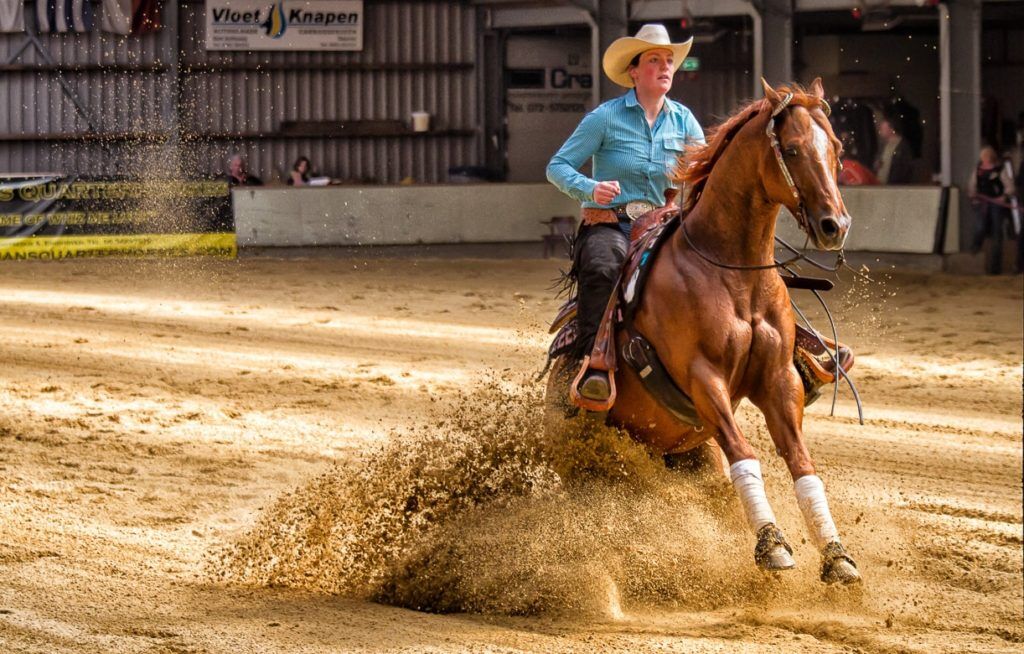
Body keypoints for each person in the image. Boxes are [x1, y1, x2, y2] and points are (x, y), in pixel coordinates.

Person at [546, 23, 704, 402]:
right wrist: (590, 188)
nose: (666, 67)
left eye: (669, 60)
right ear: (633, 71)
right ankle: (593, 362)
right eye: (655, 60)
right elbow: (558, 166)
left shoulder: (684, 120)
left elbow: (706, 169)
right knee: (603, 267)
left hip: (664, 223)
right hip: (611, 221)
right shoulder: (605, 117)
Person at [968, 146, 1016, 263]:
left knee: (997, 230)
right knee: (980, 226)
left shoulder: (1000, 171)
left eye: (986, 157)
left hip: (996, 204)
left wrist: (1003, 196)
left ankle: (996, 261)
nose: (984, 159)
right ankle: (975, 246)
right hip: (982, 203)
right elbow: (972, 185)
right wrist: (973, 195)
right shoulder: (978, 170)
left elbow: (1010, 187)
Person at [873, 115, 914, 185]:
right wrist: (876, 165)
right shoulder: (883, 145)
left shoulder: (903, 147)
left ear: (891, 129)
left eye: (883, 128)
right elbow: (876, 164)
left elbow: (906, 170)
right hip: (880, 186)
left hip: (894, 189)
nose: (880, 131)